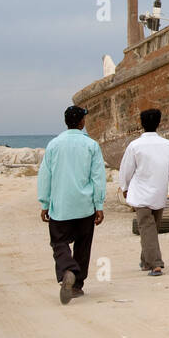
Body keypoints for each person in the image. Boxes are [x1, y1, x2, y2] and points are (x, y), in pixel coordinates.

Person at [38, 105, 106, 304]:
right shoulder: (91, 145)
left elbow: (45, 176)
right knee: (83, 245)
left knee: (59, 243)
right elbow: (98, 177)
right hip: (85, 206)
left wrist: (44, 202)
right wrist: (99, 204)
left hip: (60, 206)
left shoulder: (53, 145)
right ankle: (76, 286)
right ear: (82, 122)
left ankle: (68, 270)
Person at [118, 108, 169, 277]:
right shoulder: (168, 145)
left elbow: (126, 169)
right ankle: (149, 261)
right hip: (159, 193)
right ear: (159, 123)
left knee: (147, 229)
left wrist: (125, 187)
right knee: (150, 228)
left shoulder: (135, 145)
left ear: (141, 124)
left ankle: (154, 264)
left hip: (141, 193)